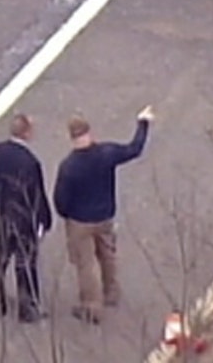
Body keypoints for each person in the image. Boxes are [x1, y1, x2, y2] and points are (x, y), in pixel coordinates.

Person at [53, 105, 155, 324]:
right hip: (105, 216)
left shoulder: (69, 166)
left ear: (72, 137)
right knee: (107, 255)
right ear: (90, 132)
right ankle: (111, 292)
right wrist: (143, 123)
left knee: (86, 264)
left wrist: (67, 215)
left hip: (80, 221)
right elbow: (134, 149)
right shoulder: (106, 154)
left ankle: (92, 306)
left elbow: (60, 199)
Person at [0, 113, 53, 323]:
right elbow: (37, 195)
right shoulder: (30, 162)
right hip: (24, 220)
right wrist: (44, 220)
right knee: (25, 263)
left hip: (2, 214)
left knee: (0, 259)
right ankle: (27, 306)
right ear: (27, 133)